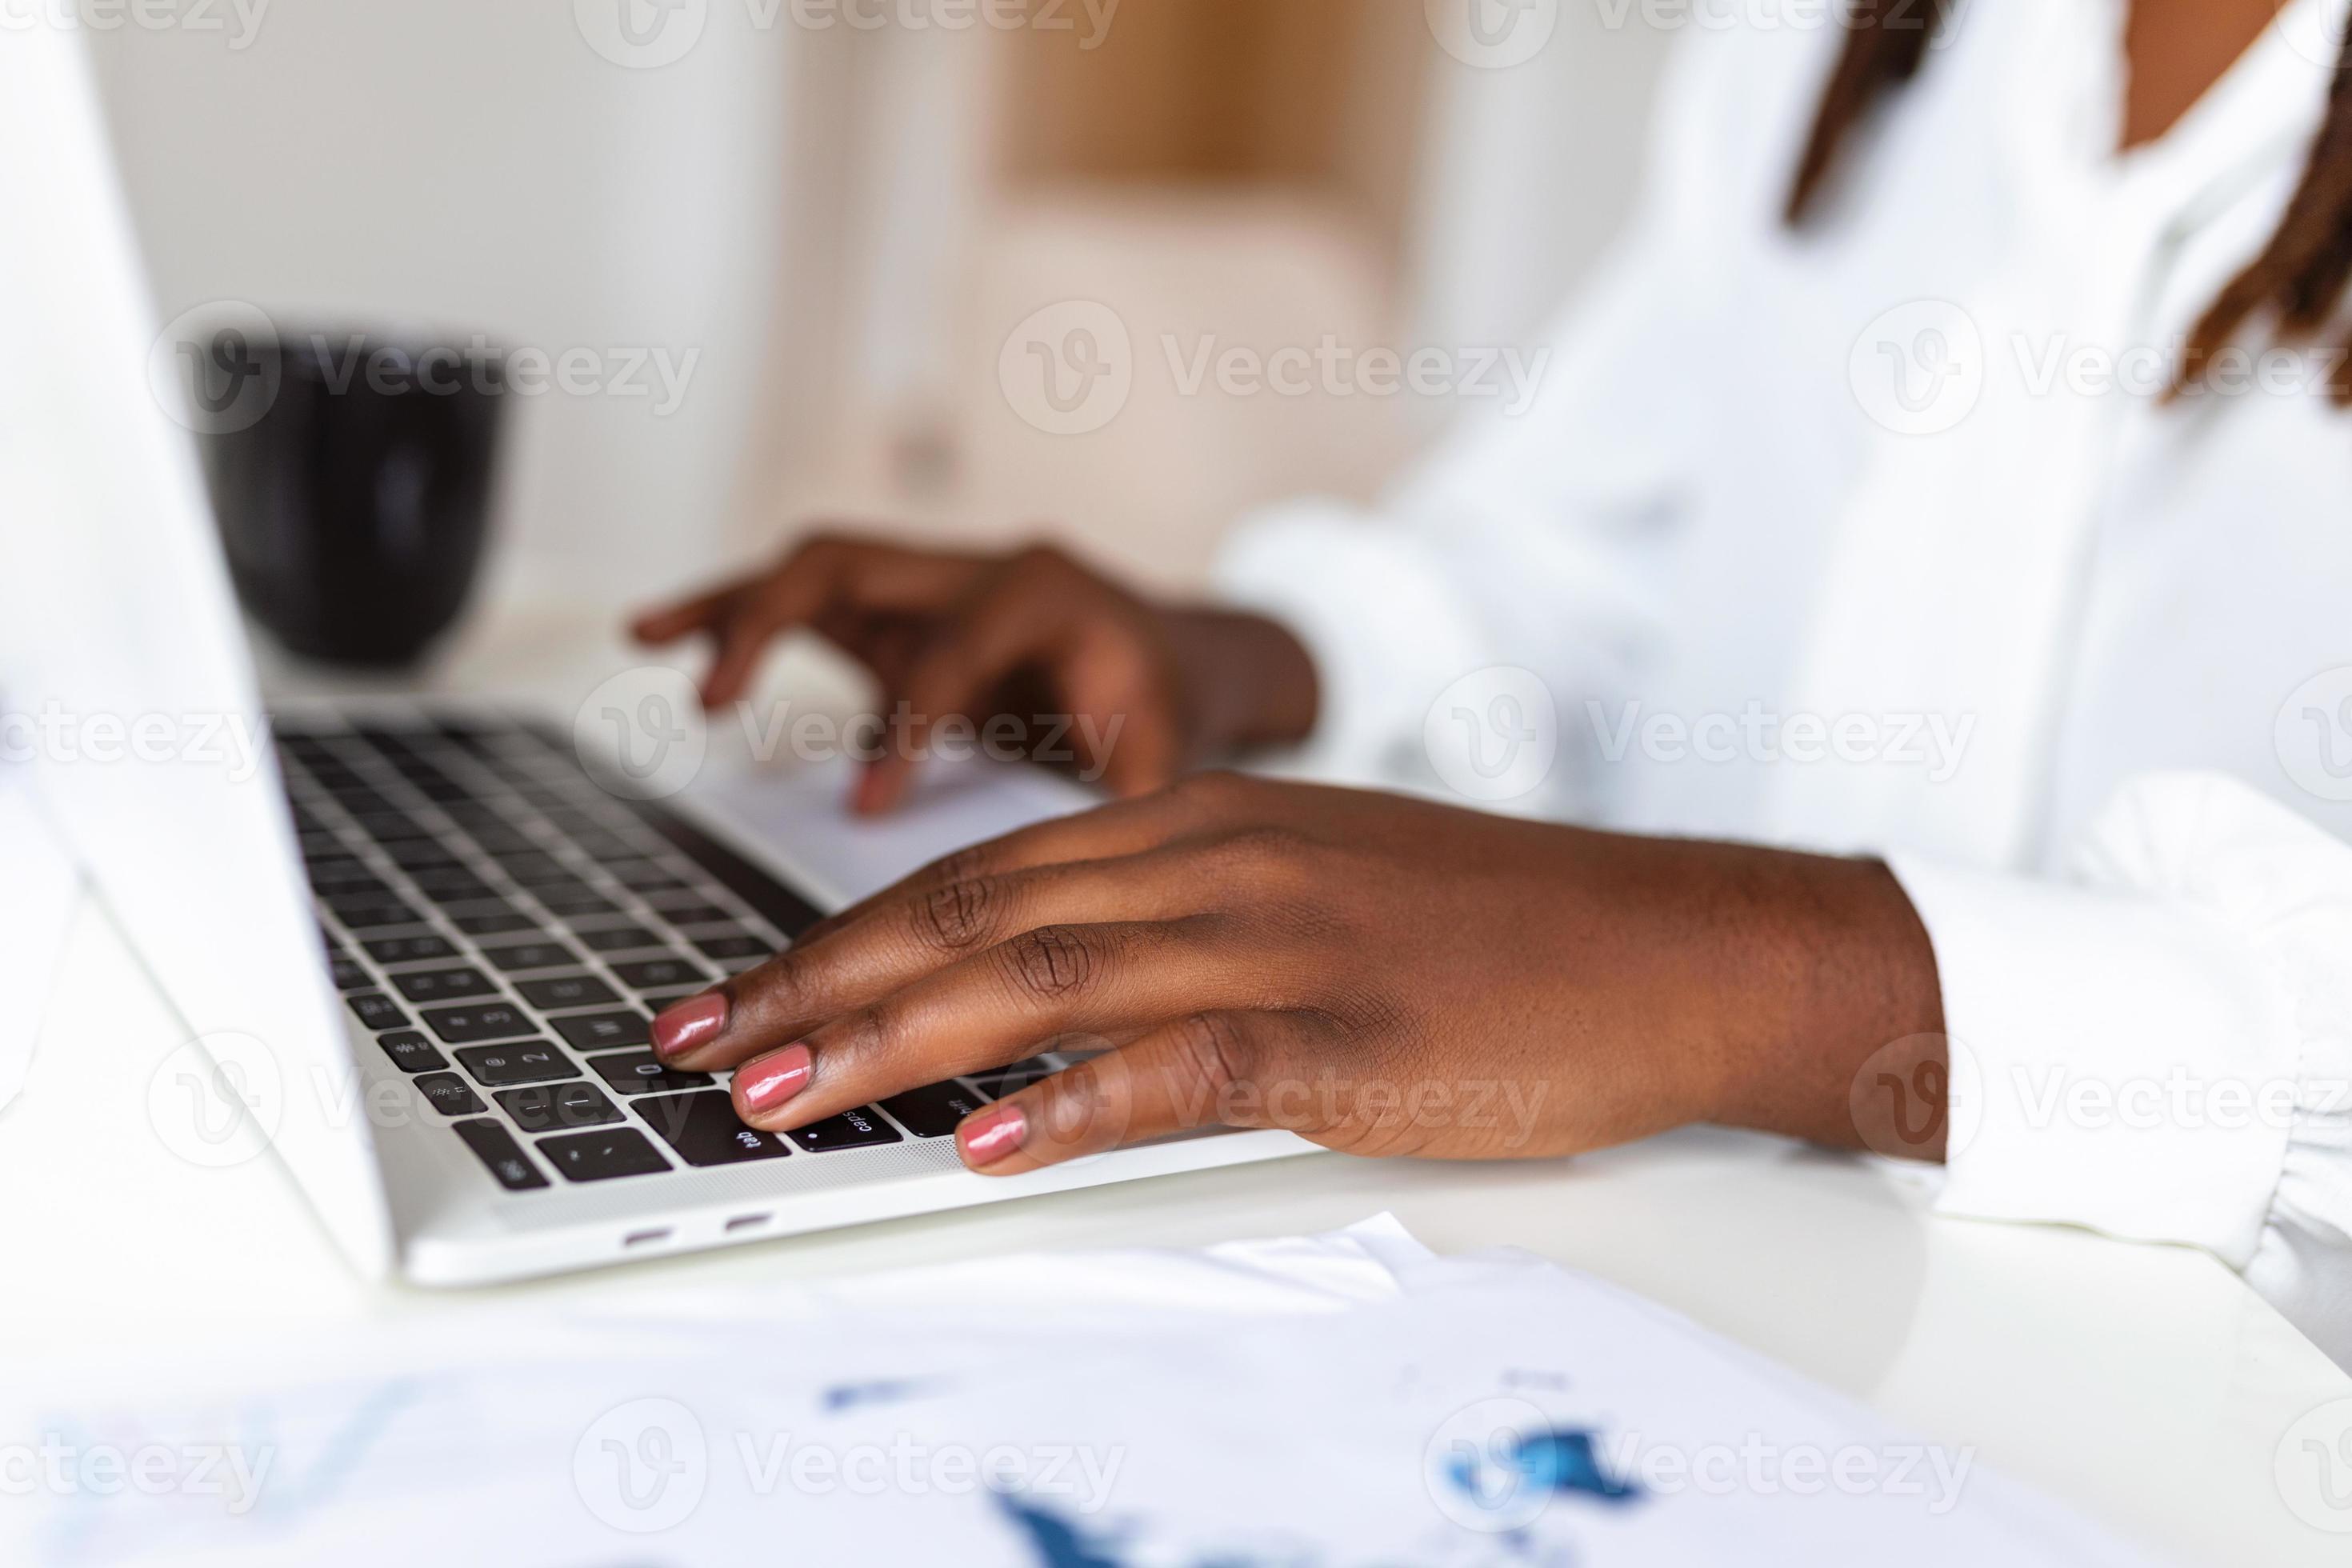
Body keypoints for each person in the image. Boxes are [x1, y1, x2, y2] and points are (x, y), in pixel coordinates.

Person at [634, 0, 2352, 1366]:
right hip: (1689, 1292)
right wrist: (1236, 659)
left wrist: (1740, 968)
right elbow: (1577, 568)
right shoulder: (1839, 35)